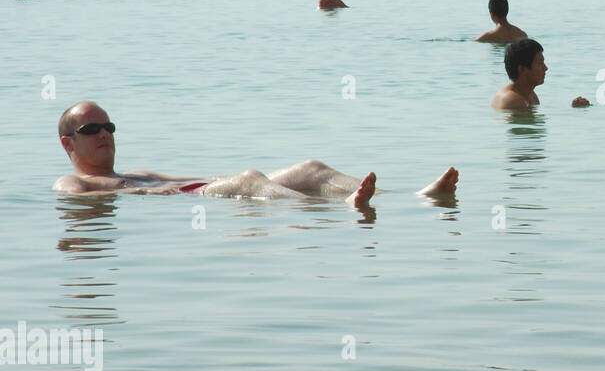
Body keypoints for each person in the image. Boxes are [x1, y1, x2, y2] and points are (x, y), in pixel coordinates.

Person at [52, 101, 457, 206]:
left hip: (198, 189)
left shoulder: (136, 170)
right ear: (69, 143)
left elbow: (188, 180)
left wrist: (218, 180)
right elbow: (78, 198)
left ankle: (414, 199)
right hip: (187, 201)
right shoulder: (74, 181)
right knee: (250, 178)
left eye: (109, 127)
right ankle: (341, 206)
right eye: (92, 129)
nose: (104, 133)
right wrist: (139, 194)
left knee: (310, 168)